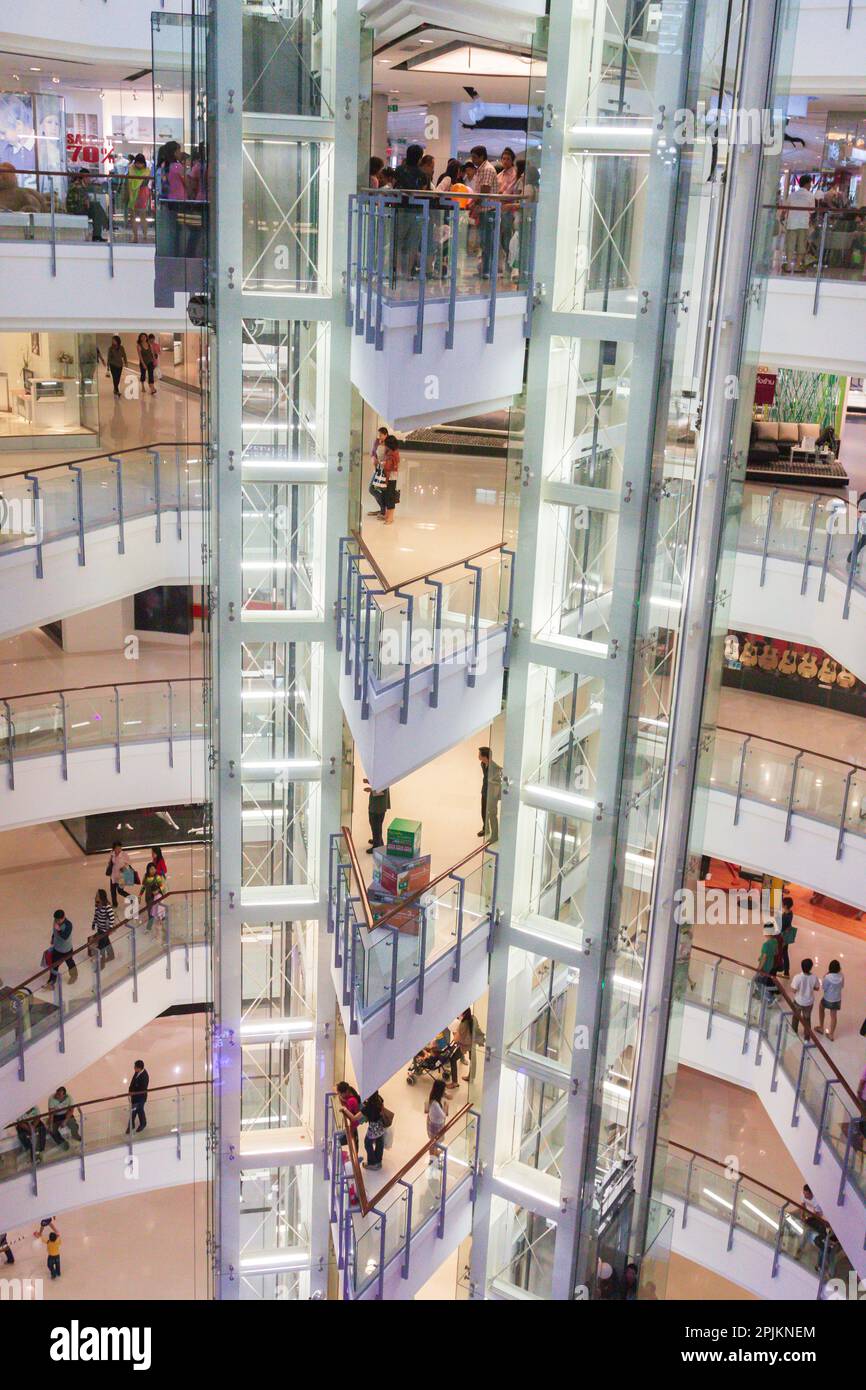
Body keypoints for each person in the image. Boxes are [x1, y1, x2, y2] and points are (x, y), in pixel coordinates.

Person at [393, 144, 430, 281]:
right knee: (413, 243)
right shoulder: (422, 174)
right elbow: (422, 191)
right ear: (420, 158)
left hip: (400, 208)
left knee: (398, 241)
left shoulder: (399, 170)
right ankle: (407, 273)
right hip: (416, 210)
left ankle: (397, 271)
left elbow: (395, 186)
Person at [470, 145, 499, 279]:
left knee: (487, 242)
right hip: (484, 210)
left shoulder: (487, 169)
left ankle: (487, 271)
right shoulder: (481, 170)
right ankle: (485, 269)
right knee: (484, 241)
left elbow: (485, 191)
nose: (473, 160)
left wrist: (475, 206)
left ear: (482, 157)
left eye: (475, 157)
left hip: (488, 210)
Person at [783, 174, 816, 274]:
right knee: (801, 245)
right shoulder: (810, 196)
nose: (810, 185)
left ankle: (788, 265)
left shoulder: (792, 195)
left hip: (792, 223)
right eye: (810, 183)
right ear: (807, 184)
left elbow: (786, 208)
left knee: (790, 244)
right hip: (803, 223)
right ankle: (797, 266)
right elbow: (812, 211)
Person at [790, 958, 820, 1039]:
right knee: (807, 1018)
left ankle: (794, 1031)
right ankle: (807, 1036)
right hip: (809, 1003)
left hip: (798, 1001)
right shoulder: (814, 977)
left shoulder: (798, 977)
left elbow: (793, 990)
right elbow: (817, 988)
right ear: (811, 967)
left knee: (796, 1016)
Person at [357, 1092, 387, 1170]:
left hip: (373, 1128)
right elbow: (382, 1109)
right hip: (380, 1125)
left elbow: (354, 1118)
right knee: (379, 1142)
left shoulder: (368, 1107)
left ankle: (372, 1163)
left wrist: (345, 1110)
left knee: (367, 1143)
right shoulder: (379, 1099)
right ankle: (378, 1162)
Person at [46, 910, 77, 986]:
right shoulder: (55, 922)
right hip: (57, 948)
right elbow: (54, 931)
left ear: (63, 917)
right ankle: (52, 980)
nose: (57, 921)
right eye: (56, 919)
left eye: (59, 920)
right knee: (54, 965)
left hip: (66, 949)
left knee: (70, 963)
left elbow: (65, 937)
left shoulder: (68, 925)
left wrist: (59, 930)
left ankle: (74, 976)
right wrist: (53, 937)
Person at [478, 746, 502, 842]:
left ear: (484, 756)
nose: (478, 755)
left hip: (492, 795)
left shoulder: (495, 768)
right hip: (484, 792)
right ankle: (486, 829)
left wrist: (494, 796)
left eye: (479, 754)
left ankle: (495, 835)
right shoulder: (483, 764)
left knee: (492, 814)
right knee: (483, 811)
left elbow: (498, 783)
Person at [816, 960, 844, 1040]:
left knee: (821, 1008)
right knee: (834, 1016)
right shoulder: (841, 976)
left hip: (827, 998)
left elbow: (824, 987)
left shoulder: (828, 977)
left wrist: (825, 976)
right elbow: (842, 986)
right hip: (837, 999)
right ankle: (831, 1034)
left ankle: (821, 1027)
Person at [126, 153, 151, 243]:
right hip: (132, 194)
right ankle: (135, 236)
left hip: (142, 193)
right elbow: (128, 182)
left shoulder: (147, 171)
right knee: (132, 216)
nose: (139, 165)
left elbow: (145, 183)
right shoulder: (131, 169)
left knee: (142, 215)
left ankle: (145, 235)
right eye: (137, 163)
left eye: (141, 163)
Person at [797, 1185, 826, 1259]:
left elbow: (817, 1215)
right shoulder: (803, 1194)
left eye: (806, 1194)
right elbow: (802, 1204)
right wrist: (802, 1214)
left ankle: (800, 1248)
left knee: (806, 1231)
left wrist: (806, 1218)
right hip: (807, 1213)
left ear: (811, 1193)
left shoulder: (817, 1201)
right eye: (804, 1193)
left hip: (816, 1218)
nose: (804, 1195)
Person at [364, 778, 390, 852]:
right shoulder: (383, 775)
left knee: (376, 826)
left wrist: (370, 790)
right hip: (377, 806)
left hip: (378, 807)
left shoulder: (384, 777)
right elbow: (378, 784)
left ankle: (376, 845)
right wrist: (369, 782)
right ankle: (378, 841)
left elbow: (382, 792)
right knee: (376, 825)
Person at [368, 424, 389, 517]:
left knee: (374, 489)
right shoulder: (377, 441)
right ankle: (382, 509)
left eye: (381, 435)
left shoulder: (389, 443)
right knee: (373, 488)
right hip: (377, 469)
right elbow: (373, 452)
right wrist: (373, 458)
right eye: (378, 435)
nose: (379, 437)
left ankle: (383, 510)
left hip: (383, 471)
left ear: (386, 435)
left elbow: (390, 457)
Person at [91, 888, 115, 965]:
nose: (95, 896)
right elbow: (96, 915)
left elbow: (112, 917)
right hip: (100, 928)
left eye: (97, 895)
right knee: (106, 942)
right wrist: (94, 923)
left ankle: (101, 959)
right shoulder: (97, 905)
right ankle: (111, 955)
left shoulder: (107, 906)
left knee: (101, 945)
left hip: (105, 930)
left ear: (101, 897)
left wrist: (110, 928)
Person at [139, 862, 166, 928]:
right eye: (151, 869)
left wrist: (158, 891)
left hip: (155, 898)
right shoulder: (145, 877)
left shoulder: (157, 877)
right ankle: (150, 927)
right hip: (148, 898)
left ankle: (160, 922)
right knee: (150, 912)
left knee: (157, 910)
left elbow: (162, 887)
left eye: (154, 869)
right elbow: (143, 887)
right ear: (148, 870)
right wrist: (140, 895)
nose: (153, 870)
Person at [336, 1081, 362, 1151]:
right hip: (354, 1123)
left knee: (352, 1141)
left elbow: (352, 1118)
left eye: (340, 1094)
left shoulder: (351, 1101)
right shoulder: (350, 1093)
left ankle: (355, 1157)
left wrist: (351, 1131)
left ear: (345, 1092)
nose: (339, 1095)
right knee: (353, 1141)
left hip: (354, 1123)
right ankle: (355, 1155)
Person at [106, 840, 132, 909]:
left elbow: (128, 863)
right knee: (112, 890)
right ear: (114, 848)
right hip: (113, 875)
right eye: (117, 848)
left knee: (120, 891)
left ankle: (131, 898)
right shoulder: (112, 854)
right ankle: (115, 904)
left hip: (122, 876)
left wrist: (124, 867)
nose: (118, 849)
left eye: (120, 848)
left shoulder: (124, 854)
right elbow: (110, 862)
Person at [756, 921, 781, 993]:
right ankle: (762, 993)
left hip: (764, 967)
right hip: (770, 965)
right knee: (764, 980)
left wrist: (759, 968)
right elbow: (776, 952)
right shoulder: (775, 941)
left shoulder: (765, 945)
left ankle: (764, 995)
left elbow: (764, 958)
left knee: (757, 980)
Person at [381, 434, 400, 525]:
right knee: (388, 496)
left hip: (390, 477)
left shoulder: (392, 454)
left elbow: (389, 468)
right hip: (391, 476)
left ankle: (390, 517)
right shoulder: (393, 452)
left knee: (390, 497)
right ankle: (388, 516)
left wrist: (384, 465)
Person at [127, 1059, 149, 1133]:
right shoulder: (137, 1072)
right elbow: (133, 1081)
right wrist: (130, 1090)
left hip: (140, 1098)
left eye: (135, 1067)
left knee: (135, 1111)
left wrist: (133, 1093)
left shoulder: (144, 1076)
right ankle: (137, 1124)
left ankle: (135, 1125)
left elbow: (142, 1090)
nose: (134, 1068)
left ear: (139, 1068)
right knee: (138, 1111)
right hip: (135, 1097)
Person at [777, 895, 796, 977]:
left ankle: (785, 972)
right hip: (785, 937)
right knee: (783, 953)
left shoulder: (786, 916)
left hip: (783, 938)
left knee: (783, 953)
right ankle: (784, 969)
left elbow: (782, 927)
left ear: (785, 905)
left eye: (782, 903)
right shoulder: (789, 913)